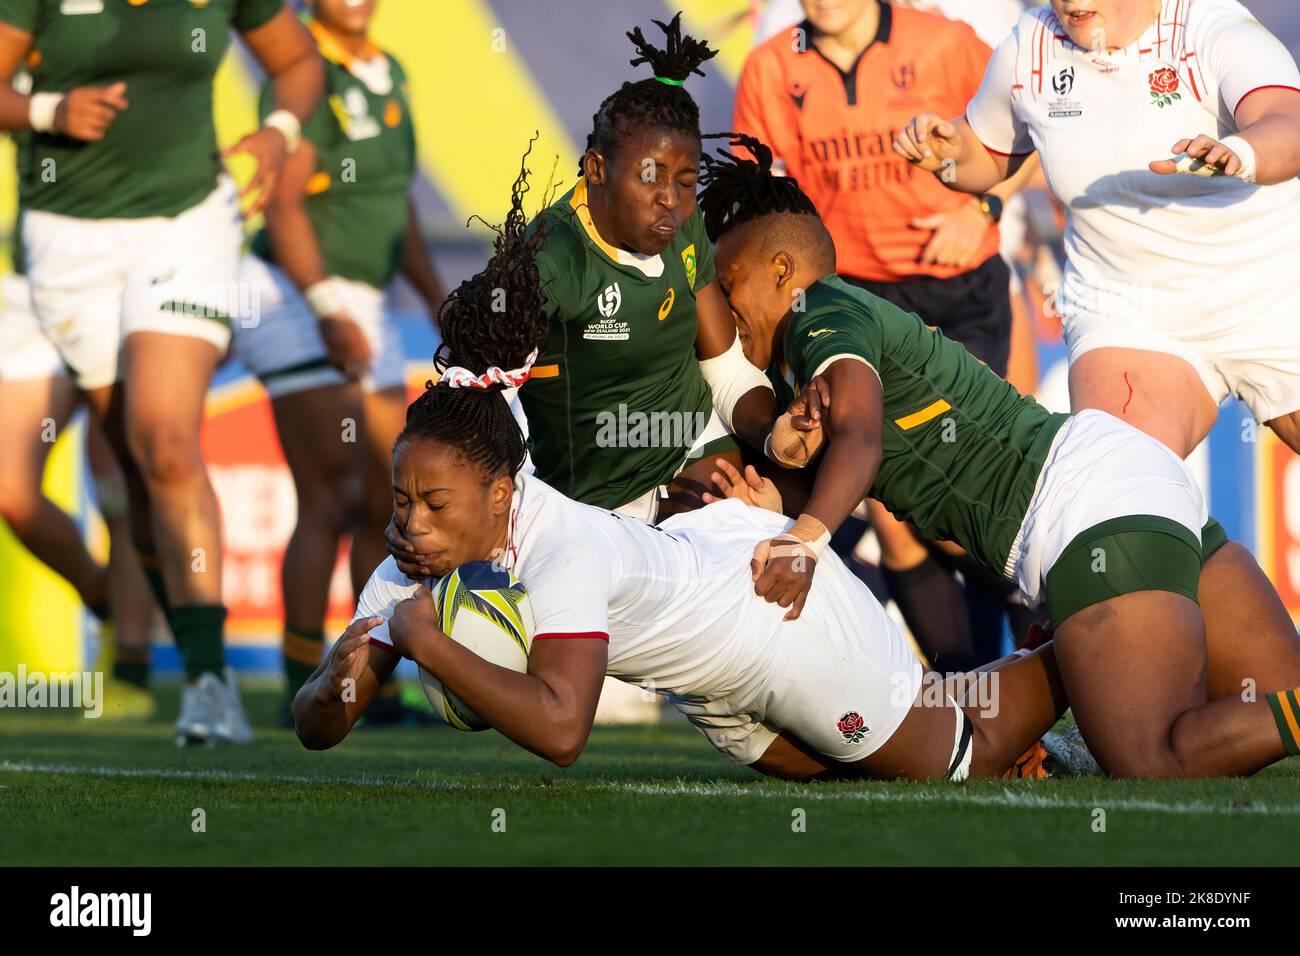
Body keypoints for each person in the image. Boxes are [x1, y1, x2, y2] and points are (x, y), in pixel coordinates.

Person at [292, 180, 1068, 781]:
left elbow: (563, 733)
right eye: (401, 502)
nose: (410, 525)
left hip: (773, 619)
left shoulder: (559, 546)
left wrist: (427, 643)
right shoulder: (412, 559)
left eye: (432, 504)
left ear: (502, 494)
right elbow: (320, 724)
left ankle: (1087, 652)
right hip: (713, 686)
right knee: (852, 771)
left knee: (961, 761)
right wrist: (333, 688)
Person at [696, 134, 1300, 777]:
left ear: (783, 270)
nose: (727, 311)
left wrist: (802, 539)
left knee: (1155, 759)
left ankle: (1075, 717)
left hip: (1086, 509)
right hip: (1128, 482)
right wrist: (782, 501)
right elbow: (860, 450)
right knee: (1273, 701)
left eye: (730, 284)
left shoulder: (819, 313)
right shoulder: (828, 336)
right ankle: (1071, 719)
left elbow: (862, 443)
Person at [0, 0, 326, 743]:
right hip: (65, 244)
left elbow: (298, 61)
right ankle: (144, 629)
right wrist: (49, 107)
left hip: (190, 223)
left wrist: (278, 134)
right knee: (139, 469)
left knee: (165, 439)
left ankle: (211, 689)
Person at [733, 0, 1045, 669]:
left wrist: (985, 207)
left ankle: (1060, 634)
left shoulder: (944, 42)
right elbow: (748, 200)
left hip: (958, 293)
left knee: (970, 503)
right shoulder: (768, 69)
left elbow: (1037, 137)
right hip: (854, 305)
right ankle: (970, 702)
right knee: (897, 515)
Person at [894, 0, 1300, 461]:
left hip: (1270, 293)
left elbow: (1287, 123)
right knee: (1116, 495)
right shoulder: (1031, 43)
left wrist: (1242, 153)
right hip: (1126, 309)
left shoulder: (1213, 27)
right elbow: (986, 158)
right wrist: (946, 156)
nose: (1070, 2)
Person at [511, 14, 809, 525]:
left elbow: (725, 369)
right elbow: (487, 398)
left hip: (690, 446)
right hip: (589, 498)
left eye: (687, 181)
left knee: (776, 523)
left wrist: (778, 438)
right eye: (650, 178)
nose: (670, 199)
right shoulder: (552, 254)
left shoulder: (676, 224)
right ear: (597, 168)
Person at [232, 0, 443, 709]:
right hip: (296, 295)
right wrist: (326, 307)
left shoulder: (394, 73)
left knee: (386, 501)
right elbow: (283, 204)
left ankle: (363, 681)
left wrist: (439, 297)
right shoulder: (304, 69)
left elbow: (397, 204)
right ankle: (301, 681)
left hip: (369, 305)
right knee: (330, 493)